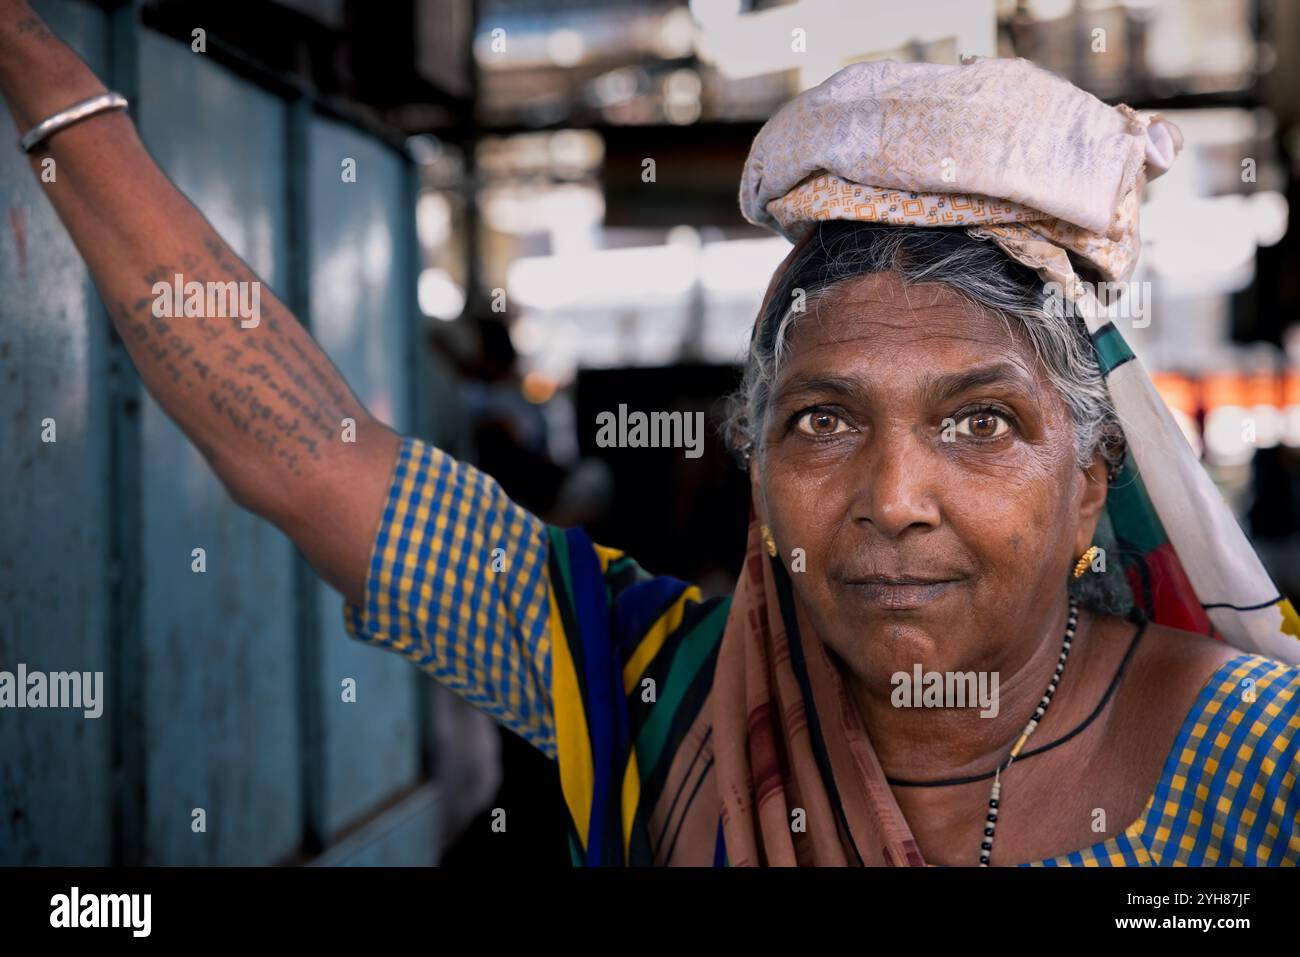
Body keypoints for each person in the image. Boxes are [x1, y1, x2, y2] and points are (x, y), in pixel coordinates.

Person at [4, 2, 1297, 866]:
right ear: (756, 466)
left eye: (979, 421)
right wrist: (37, 63)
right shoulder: (659, 686)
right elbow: (308, 452)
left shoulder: (1259, 762)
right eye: (823, 419)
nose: (893, 494)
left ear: (1091, 486)